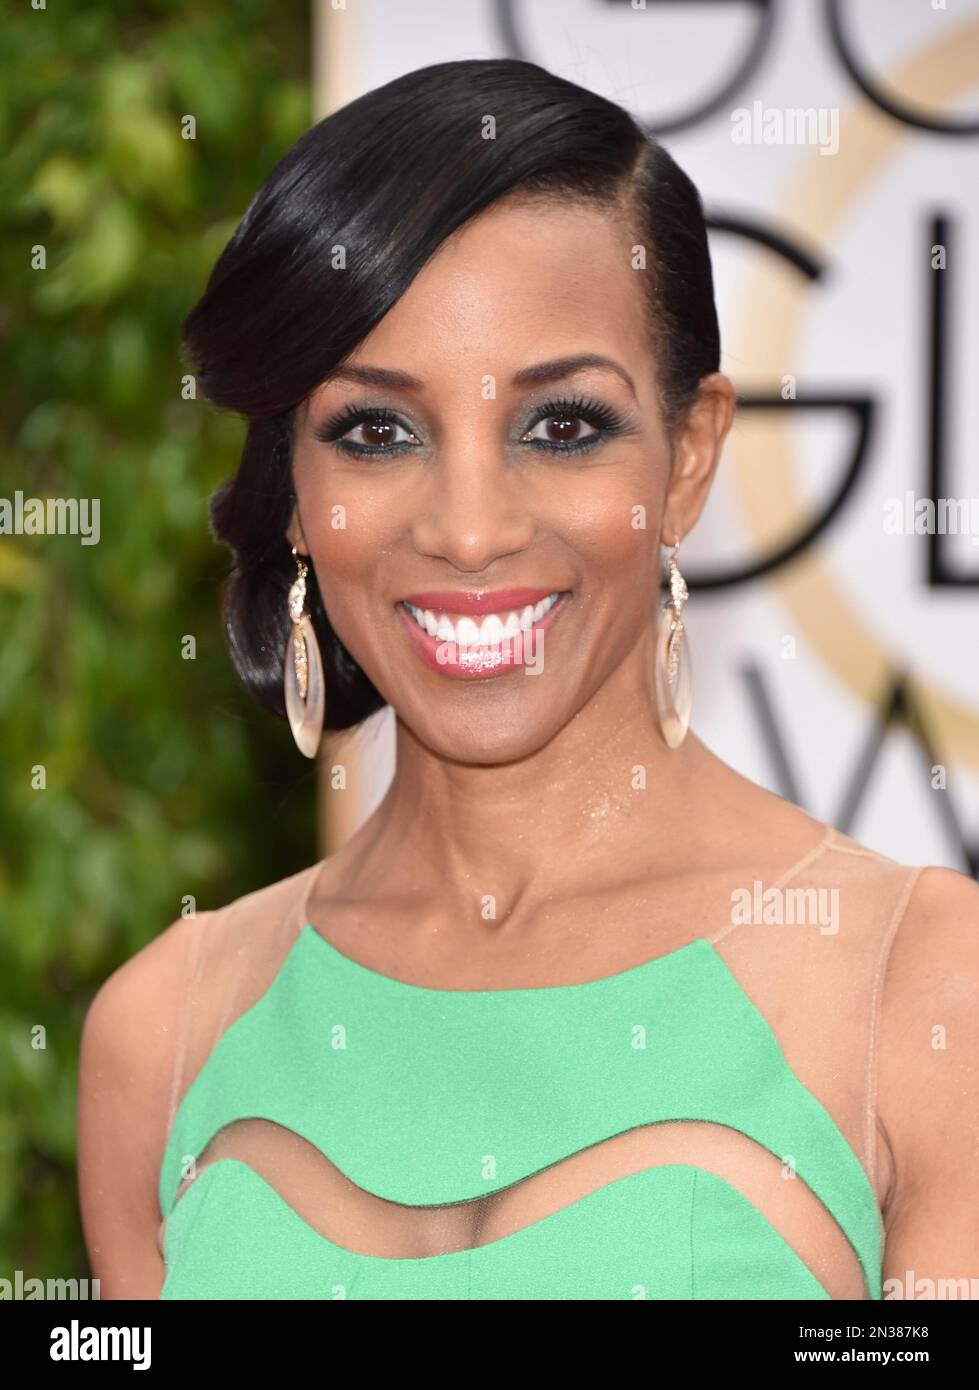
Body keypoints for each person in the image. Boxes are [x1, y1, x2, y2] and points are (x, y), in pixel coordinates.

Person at [77, 57, 978, 1301]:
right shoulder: (164, 1031)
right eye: (375, 430)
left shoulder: (927, 989)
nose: (468, 528)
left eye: (561, 425)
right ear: (295, 490)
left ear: (687, 458)